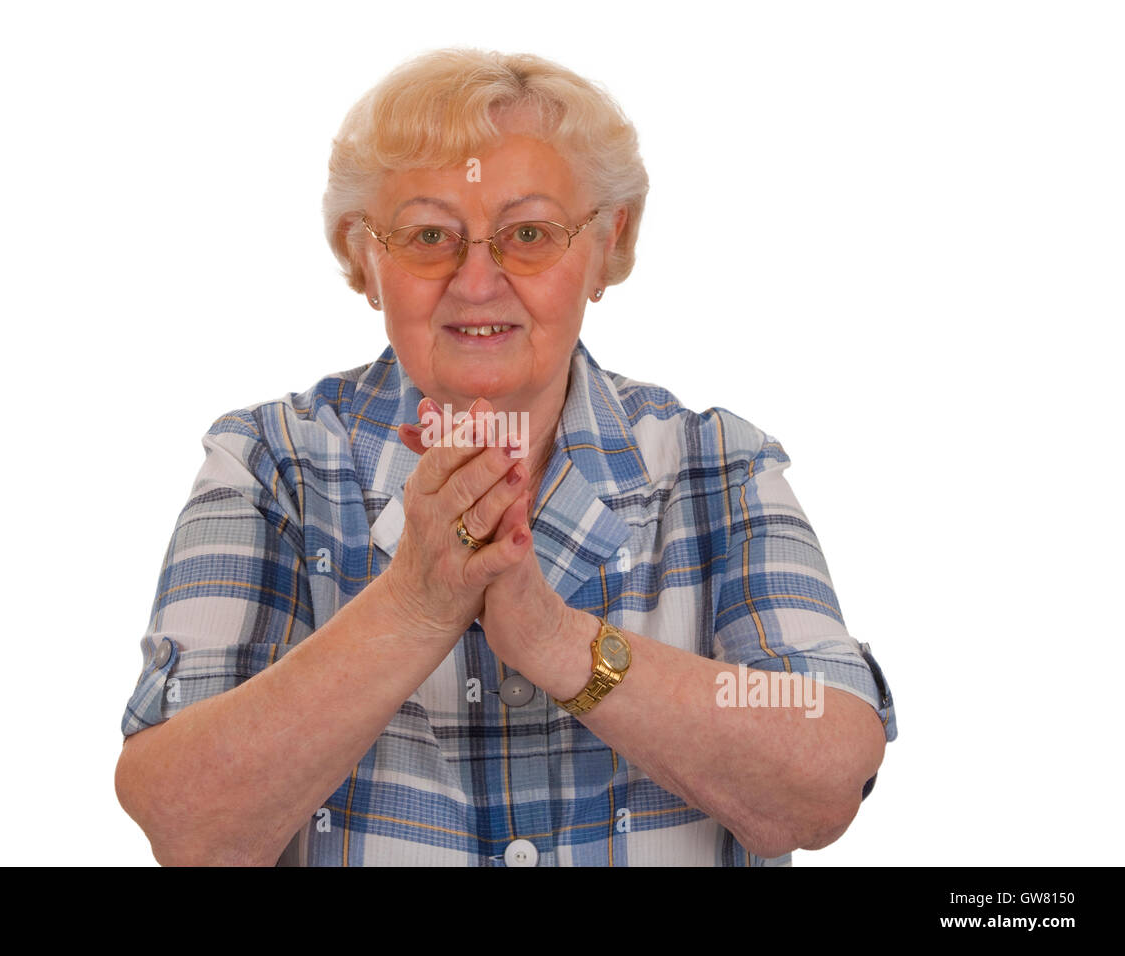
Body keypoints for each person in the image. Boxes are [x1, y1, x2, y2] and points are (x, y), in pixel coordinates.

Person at [114, 47, 896, 867]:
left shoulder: (717, 466)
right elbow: (188, 822)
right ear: (363, 258)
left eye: (529, 234)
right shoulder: (271, 463)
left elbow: (825, 775)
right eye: (427, 236)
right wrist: (413, 604)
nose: (477, 281)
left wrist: (560, 643)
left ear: (607, 245)